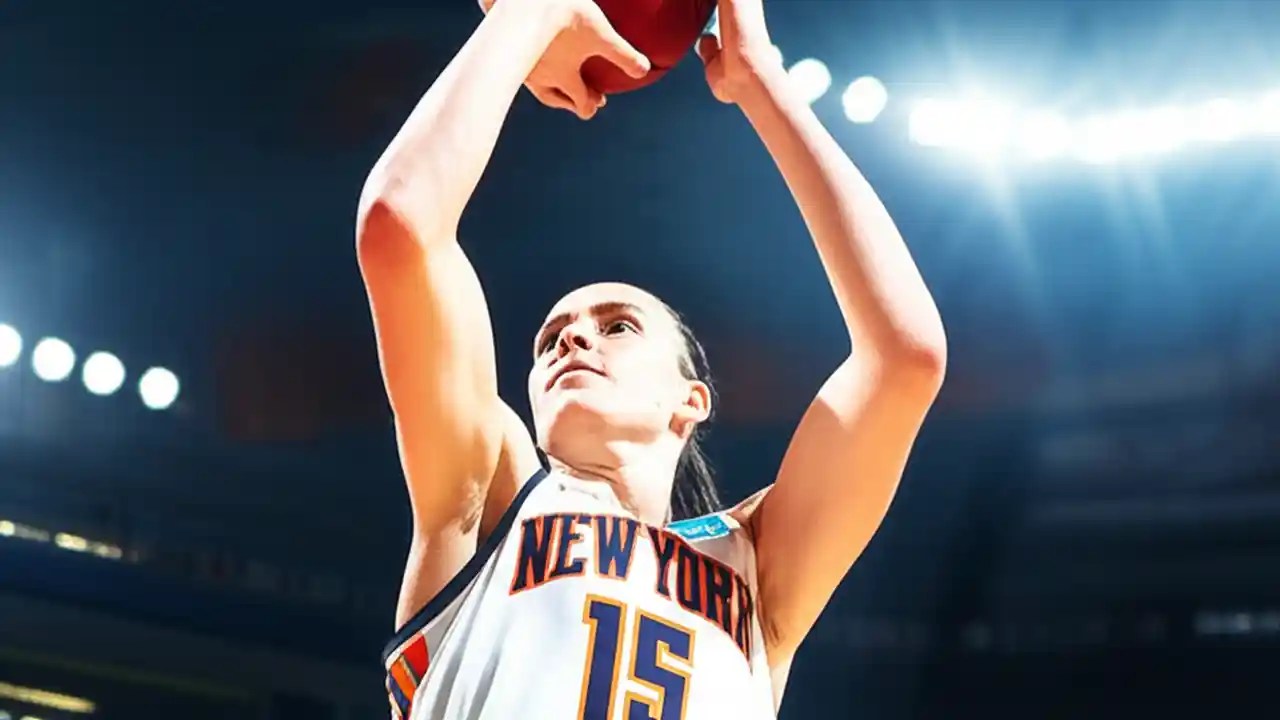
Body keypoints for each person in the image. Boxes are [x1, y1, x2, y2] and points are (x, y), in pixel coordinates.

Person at [356, 0, 946, 716]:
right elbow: (400, 227)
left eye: (617, 326)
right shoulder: (491, 496)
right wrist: (530, 14)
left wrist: (762, 82)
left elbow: (904, 357)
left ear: (689, 400)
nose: (573, 339)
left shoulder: (754, 567)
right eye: (550, 339)